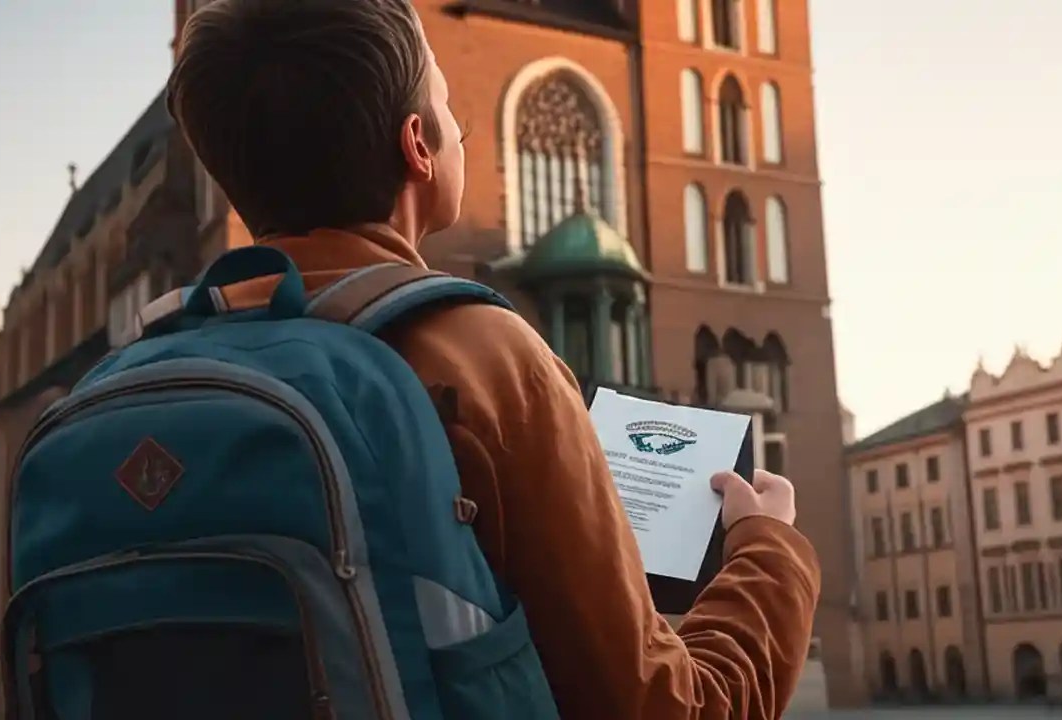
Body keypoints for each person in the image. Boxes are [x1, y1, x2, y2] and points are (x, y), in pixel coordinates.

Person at [166, 1, 820, 718]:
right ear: (418, 146)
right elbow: (664, 707)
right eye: (449, 107)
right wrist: (767, 549)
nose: (461, 130)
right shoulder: (487, 359)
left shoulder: (165, 365)